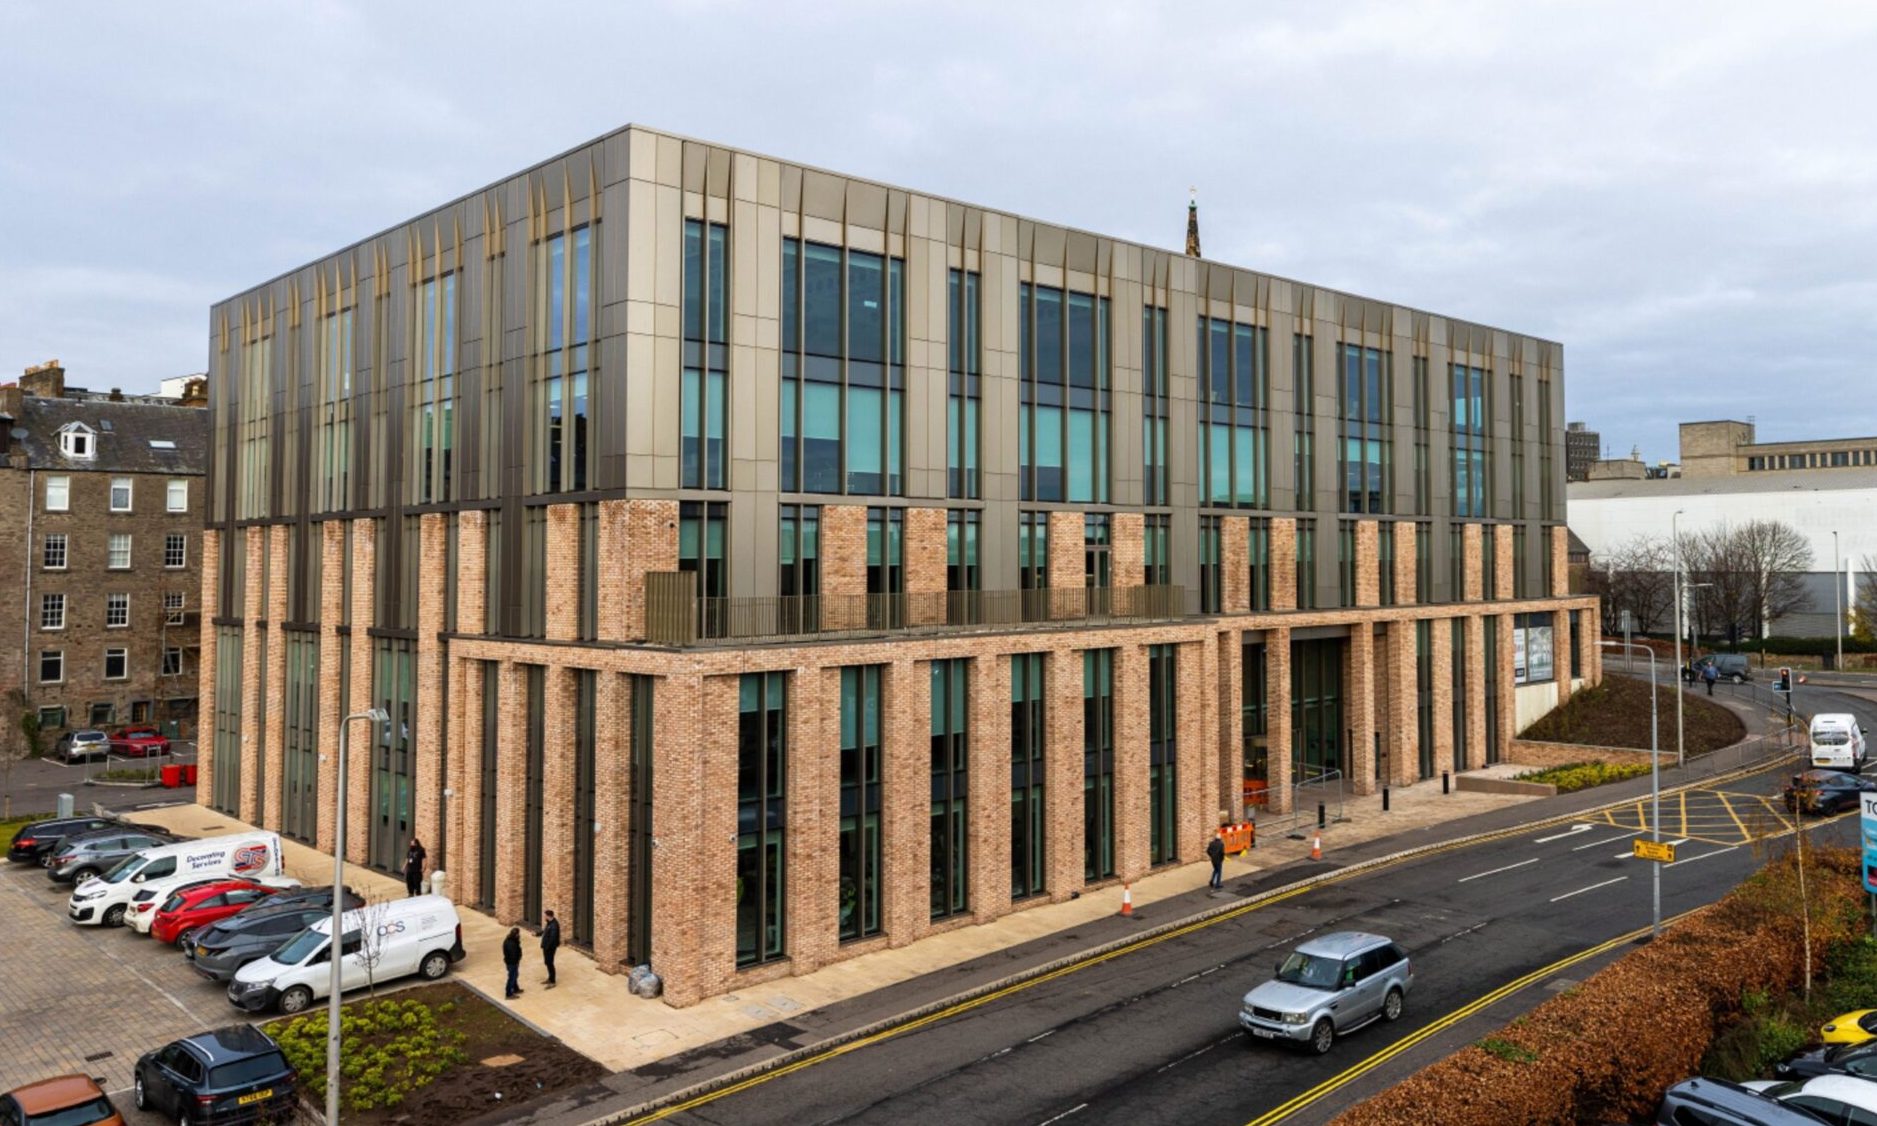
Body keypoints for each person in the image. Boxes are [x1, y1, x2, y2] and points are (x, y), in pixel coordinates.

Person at [540, 909, 562, 987]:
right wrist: (538, 933)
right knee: (547, 962)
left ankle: (552, 981)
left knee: (550, 963)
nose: (544, 917)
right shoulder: (549, 923)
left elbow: (553, 938)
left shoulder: (554, 925)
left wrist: (547, 947)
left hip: (550, 948)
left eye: (545, 915)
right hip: (546, 947)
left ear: (548, 916)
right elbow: (545, 931)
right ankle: (550, 978)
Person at [502, 927, 523, 999]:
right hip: (512, 963)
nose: (519, 935)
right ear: (516, 934)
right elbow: (513, 954)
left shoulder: (511, 940)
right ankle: (508, 993)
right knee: (512, 977)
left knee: (515, 975)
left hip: (511, 962)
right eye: (518, 934)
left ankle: (515, 988)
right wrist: (517, 961)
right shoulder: (511, 943)